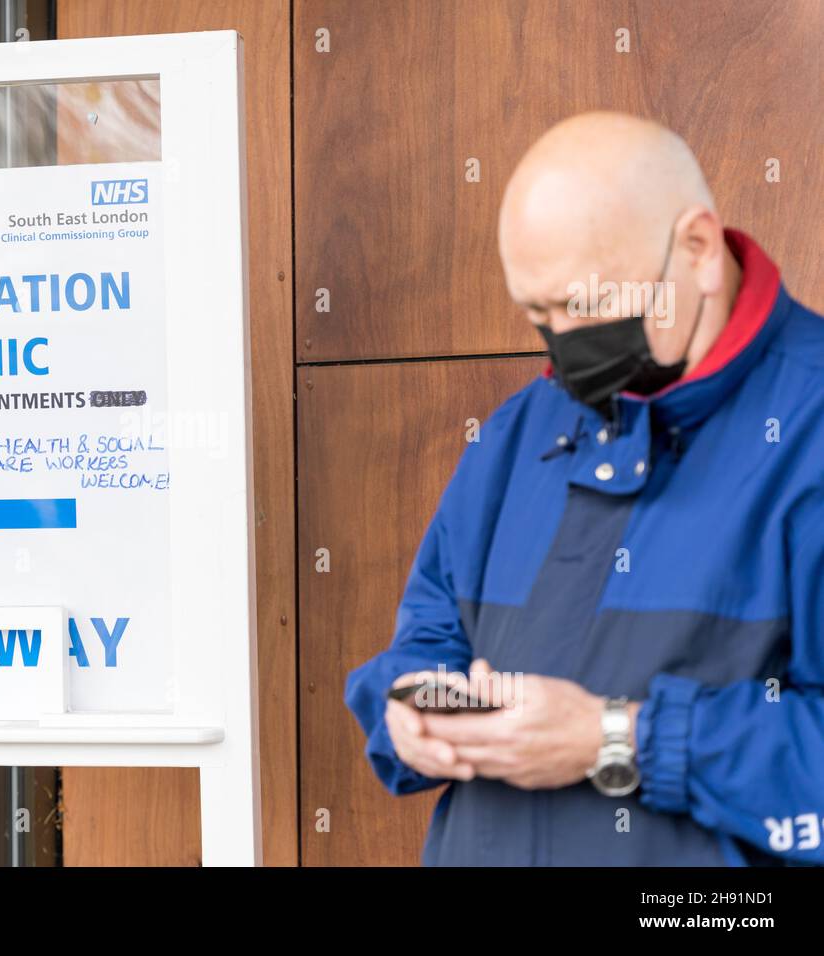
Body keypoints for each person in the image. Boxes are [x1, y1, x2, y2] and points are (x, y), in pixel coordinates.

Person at [344, 111, 824, 865]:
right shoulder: (516, 433)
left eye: (586, 305)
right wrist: (410, 711)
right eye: (539, 314)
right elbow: (424, 643)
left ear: (696, 249)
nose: (565, 345)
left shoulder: (808, 427)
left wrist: (618, 738)